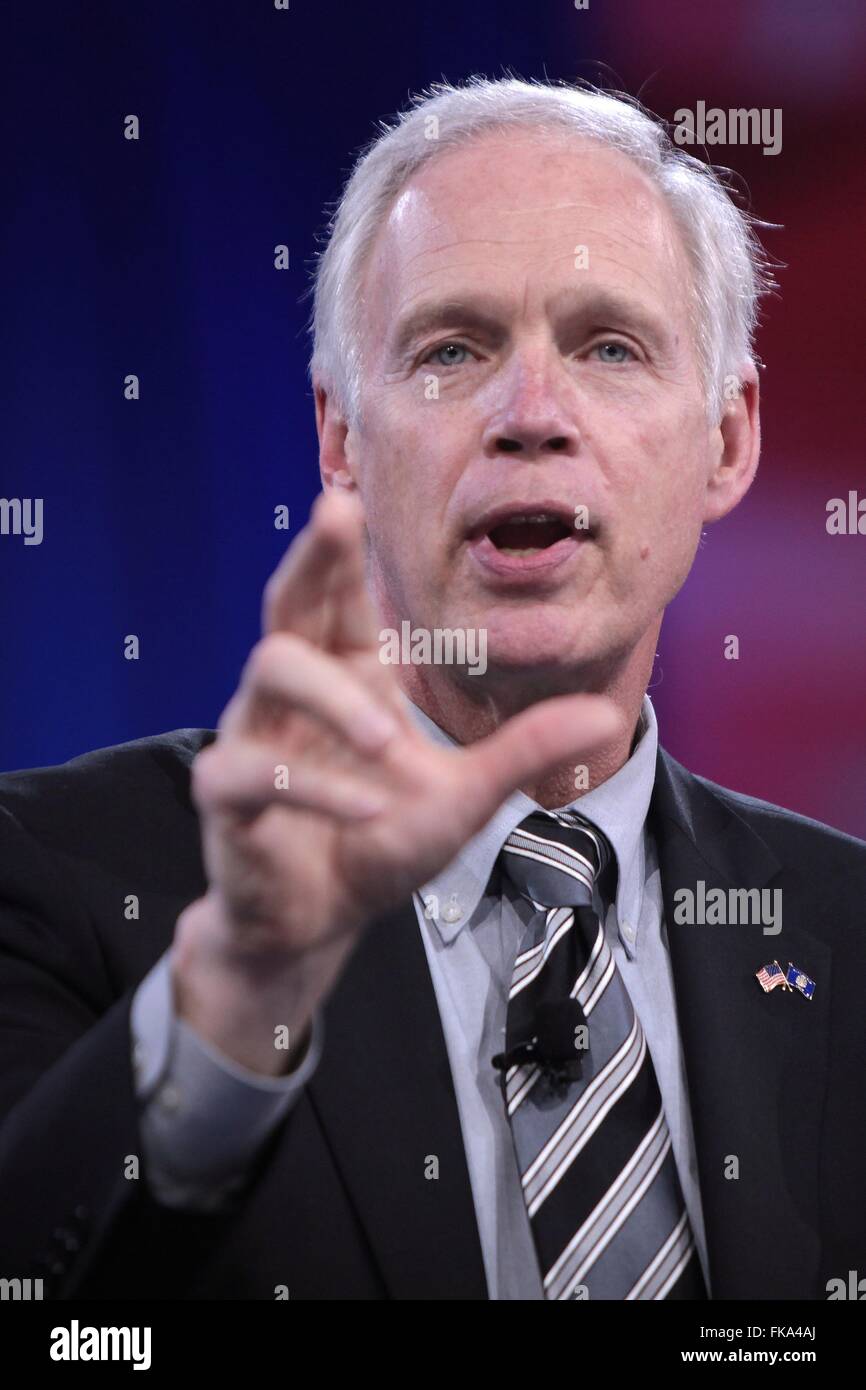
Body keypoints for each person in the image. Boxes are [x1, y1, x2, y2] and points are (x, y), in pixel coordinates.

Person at [1, 76, 863, 1302]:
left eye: (607, 346)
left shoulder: (849, 927)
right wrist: (240, 994)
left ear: (726, 441)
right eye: (451, 349)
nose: (529, 415)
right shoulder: (50, 873)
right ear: (341, 439)